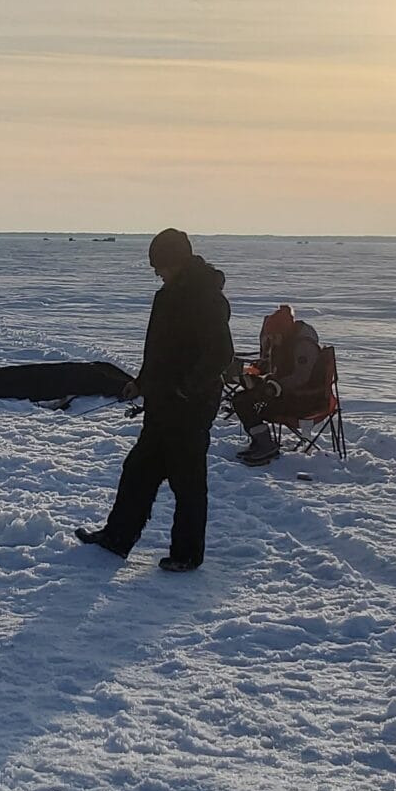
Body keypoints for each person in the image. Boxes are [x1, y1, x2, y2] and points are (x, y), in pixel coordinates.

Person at [76, 229, 233, 571]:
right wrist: (142, 383)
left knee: (187, 480)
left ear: (176, 260)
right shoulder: (166, 296)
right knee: (138, 471)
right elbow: (158, 351)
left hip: (191, 405)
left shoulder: (207, 297)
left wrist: (187, 389)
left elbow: (221, 354)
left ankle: (187, 554)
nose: (156, 272)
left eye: (160, 264)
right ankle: (117, 538)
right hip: (162, 402)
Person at [234, 304, 326, 466]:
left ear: (283, 332)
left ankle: (265, 444)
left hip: (305, 399)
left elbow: (302, 377)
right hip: (288, 394)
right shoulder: (284, 342)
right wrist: (256, 376)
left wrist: (273, 385)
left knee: (245, 402)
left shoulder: (303, 346)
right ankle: (260, 440)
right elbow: (274, 369)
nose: (272, 339)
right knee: (242, 399)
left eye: (274, 335)